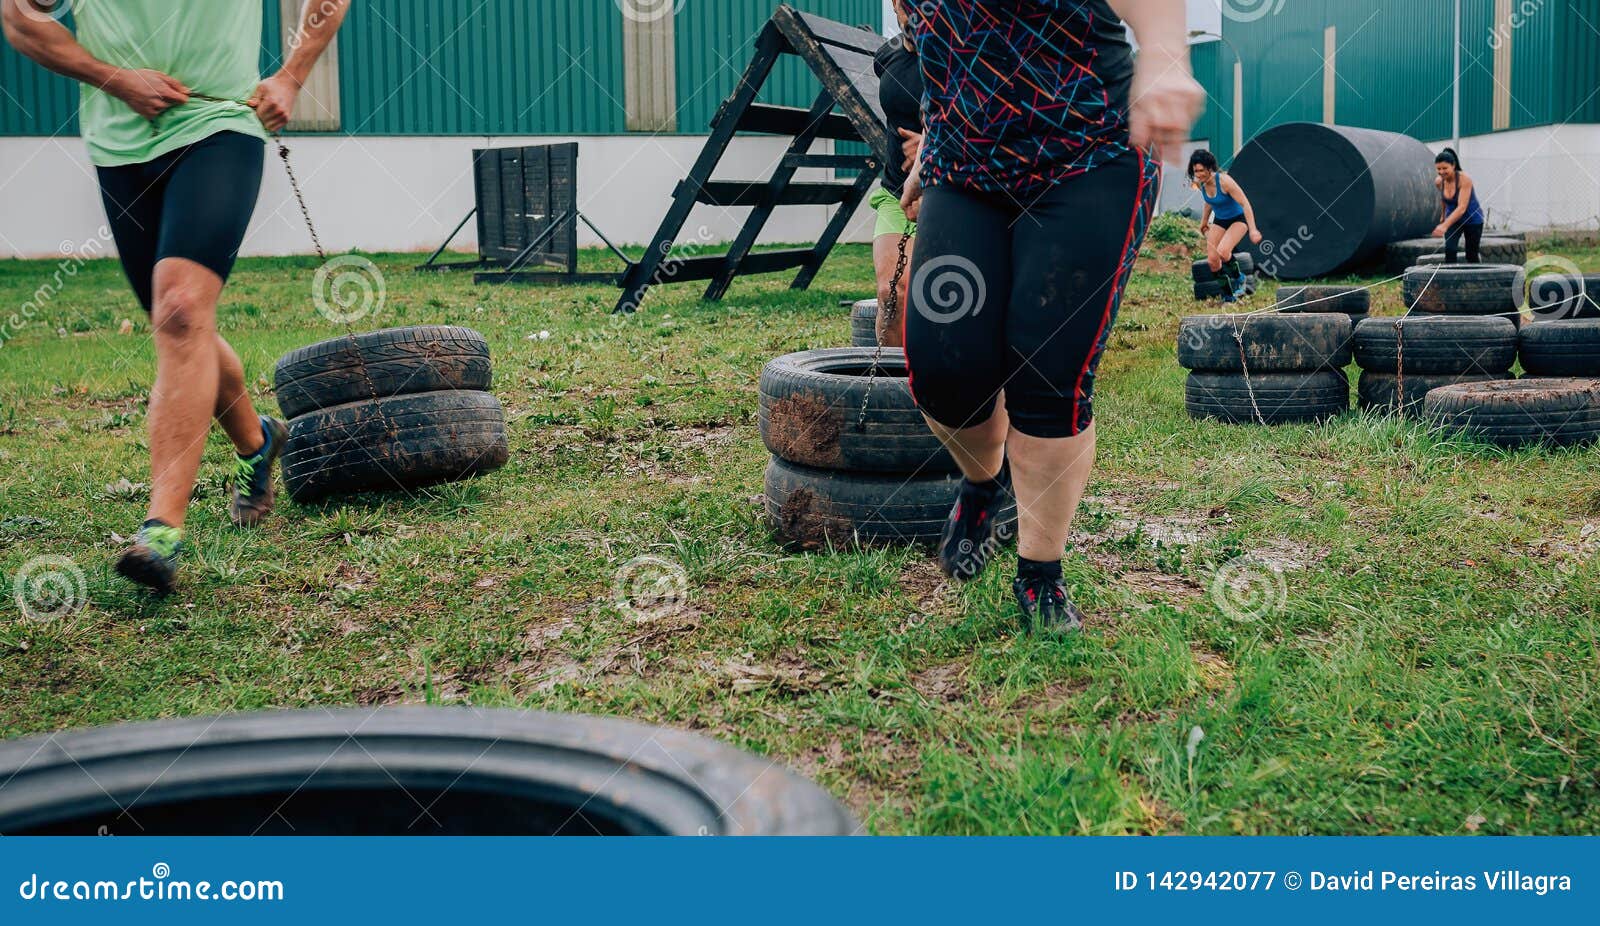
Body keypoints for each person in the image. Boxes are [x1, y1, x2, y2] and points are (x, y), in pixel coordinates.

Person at [2, 0, 351, 595]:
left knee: (181, 309)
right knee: (183, 328)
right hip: (120, 146)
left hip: (220, 128)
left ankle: (160, 529)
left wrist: (292, 74)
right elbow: (19, 19)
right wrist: (113, 78)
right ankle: (257, 440)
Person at [899, 0, 1202, 635]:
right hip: (965, 165)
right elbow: (944, 41)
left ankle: (1040, 572)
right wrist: (936, 131)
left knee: (1046, 372)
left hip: (1088, 153)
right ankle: (985, 483)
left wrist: (1166, 57)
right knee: (943, 370)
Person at [868, 0, 924, 347]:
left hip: (951, 190)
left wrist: (935, 145)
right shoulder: (886, 57)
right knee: (893, 295)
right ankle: (893, 395)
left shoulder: (958, 55)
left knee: (939, 300)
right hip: (895, 192)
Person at [1189, 149, 1262, 302]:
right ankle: (1228, 296)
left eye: (1201, 170)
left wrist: (1253, 229)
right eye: (1196, 171)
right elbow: (1209, 202)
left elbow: (1245, 203)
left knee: (1223, 252)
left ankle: (1239, 277)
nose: (1198, 174)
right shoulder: (1200, 184)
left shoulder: (1224, 181)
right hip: (1220, 221)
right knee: (1212, 261)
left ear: (1210, 168)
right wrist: (1203, 222)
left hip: (1238, 219)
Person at [1432, 147, 1484, 264]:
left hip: (1472, 219)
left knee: (1471, 254)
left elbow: (1462, 208)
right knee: (1450, 249)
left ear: (1453, 166)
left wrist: (1445, 225)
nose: (1441, 172)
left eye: (1445, 168)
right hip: (1453, 220)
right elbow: (1444, 199)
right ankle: (1451, 280)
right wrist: (1443, 215)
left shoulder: (1464, 179)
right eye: (1438, 169)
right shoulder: (1439, 181)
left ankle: (1474, 280)